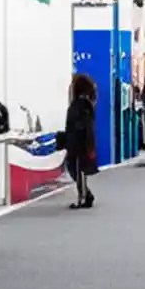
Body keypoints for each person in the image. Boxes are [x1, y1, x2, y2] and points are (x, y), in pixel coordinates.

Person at [64, 73, 99, 210]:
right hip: (79, 141)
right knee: (77, 170)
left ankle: (83, 197)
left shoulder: (82, 105)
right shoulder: (85, 104)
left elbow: (85, 125)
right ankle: (86, 195)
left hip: (79, 142)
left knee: (78, 170)